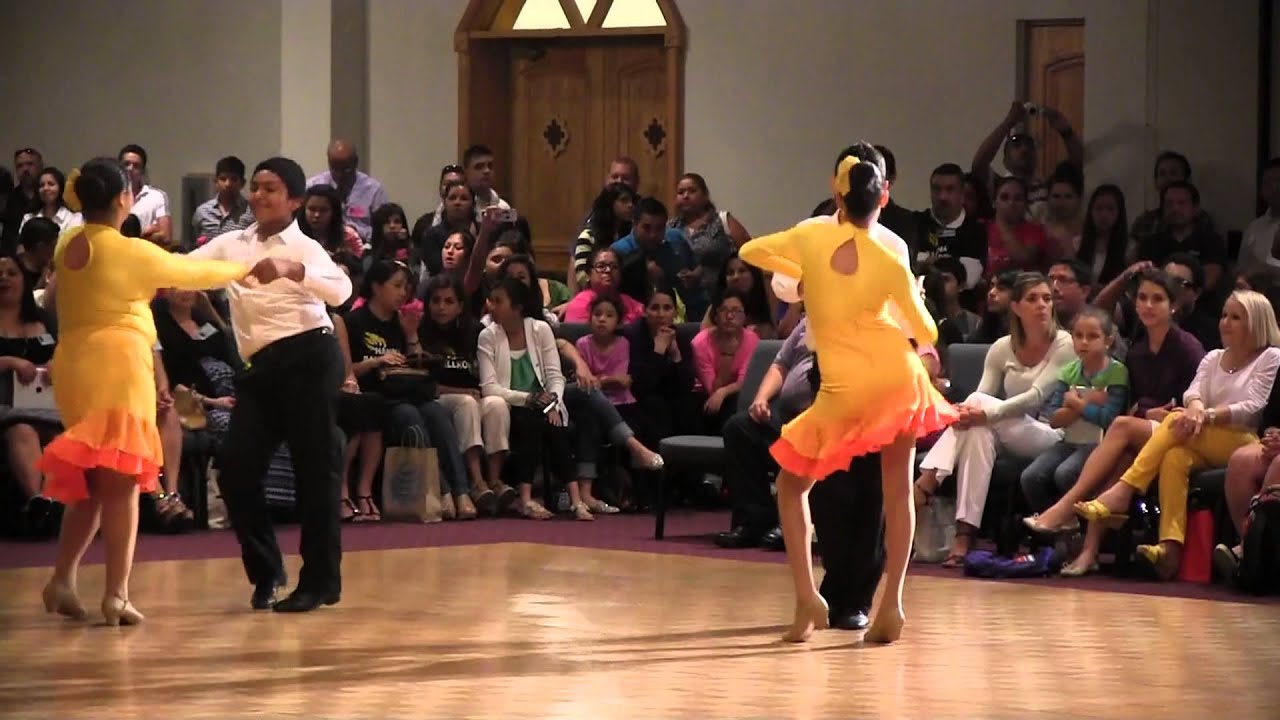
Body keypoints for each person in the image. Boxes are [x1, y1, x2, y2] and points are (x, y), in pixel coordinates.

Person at [739, 144, 956, 644]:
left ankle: (815, 599)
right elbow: (922, 327)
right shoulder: (890, 254)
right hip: (892, 376)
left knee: (802, 487)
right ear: (883, 193)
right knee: (889, 489)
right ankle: (884, 602)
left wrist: (806, 259)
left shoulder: (815, 234)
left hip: (844, 380)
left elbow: (777, 278)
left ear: (837, 190)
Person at [37, 158, 254, 625]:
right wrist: (253, 265)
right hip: (117, 364)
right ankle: (116, 594)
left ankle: (62, 581)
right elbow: (192, 274)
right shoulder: (128, 250)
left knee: (93, 484)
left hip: (74, 364)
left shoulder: (68, 241)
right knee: (120, 484)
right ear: (123, 198)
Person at [188, 157, 353, 612]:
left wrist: (291, 270)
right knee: (236, 469)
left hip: (309, 359)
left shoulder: (304, 248)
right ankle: (267, 573)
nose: (258, 195)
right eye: (255, 187)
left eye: (271, 188)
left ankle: (321, 581)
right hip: (260, 369)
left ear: (295, 200)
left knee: (315, 473)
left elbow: (341, 293)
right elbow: (182, 268)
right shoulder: (233, 244)